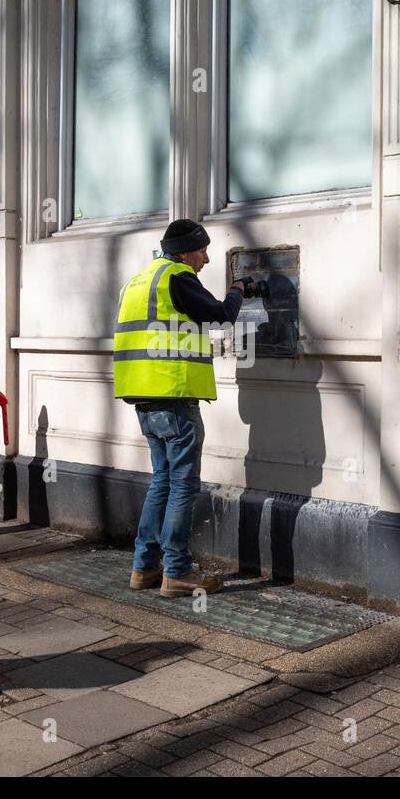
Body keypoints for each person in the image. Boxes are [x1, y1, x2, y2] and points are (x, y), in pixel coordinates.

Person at [113, 218, 254, 598]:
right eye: (203, 250)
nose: (207, 258)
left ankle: (143, 569)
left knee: (162, 480)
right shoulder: (177, 276)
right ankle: (176, 573)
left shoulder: (138, 281)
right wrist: (239, 290)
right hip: (175, 397)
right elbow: (221, 316)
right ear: (185, 251)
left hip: (143, 397)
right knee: (183, 485)